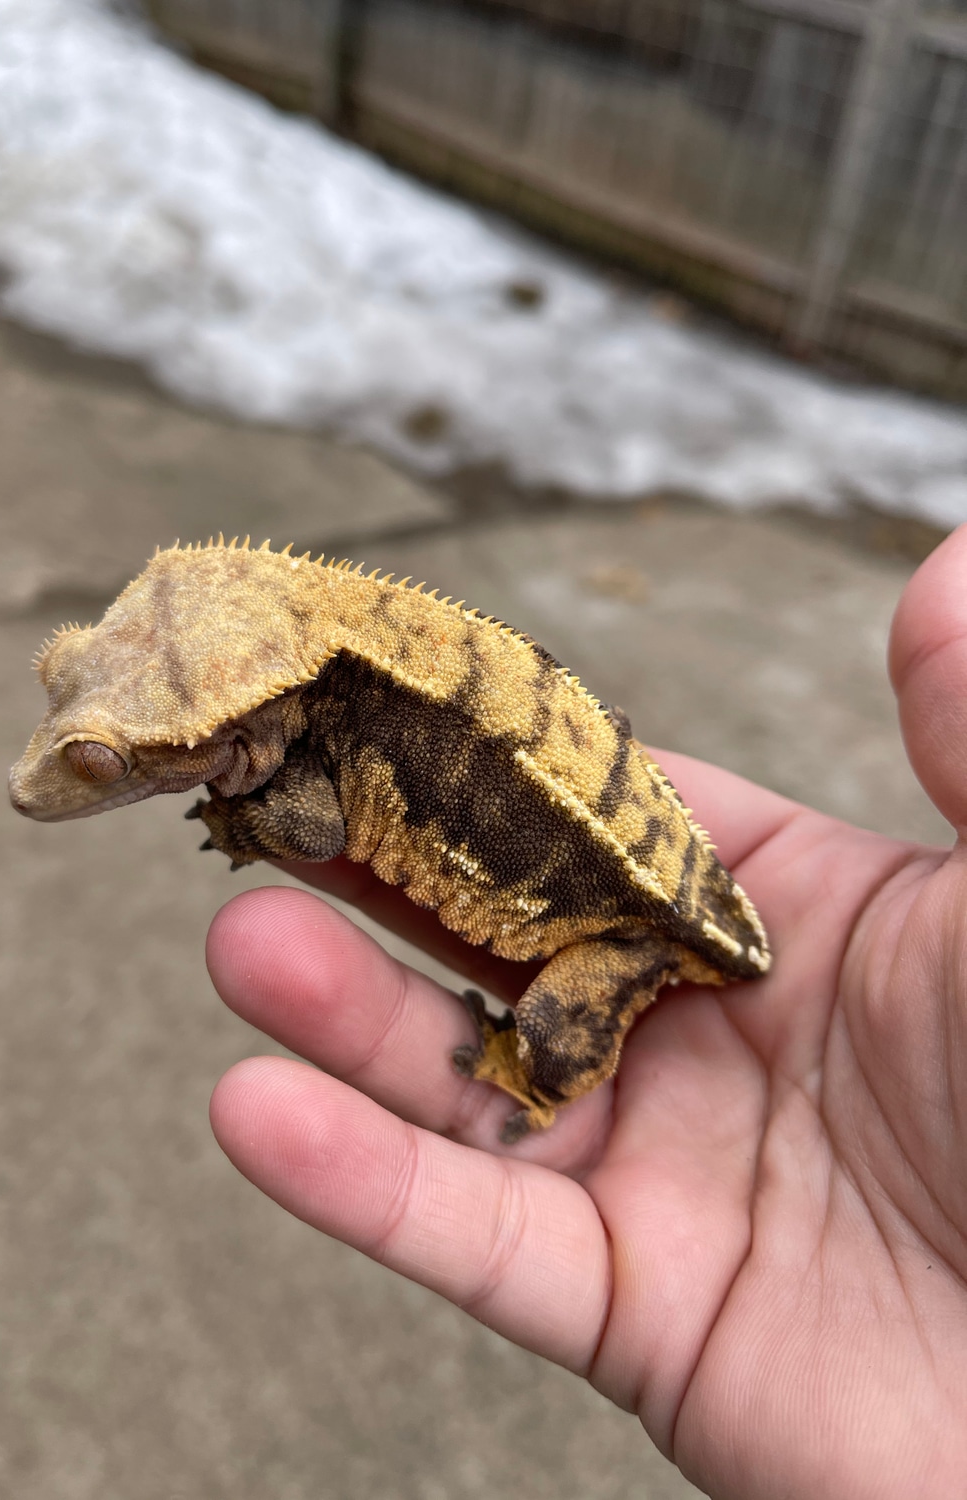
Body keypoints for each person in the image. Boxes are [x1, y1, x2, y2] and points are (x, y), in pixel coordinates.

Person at [207, 525, 967, 1500]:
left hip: (636, 929)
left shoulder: (333, 710)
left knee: (547, 1046)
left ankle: (541, 1073)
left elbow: (308, 823)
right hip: (654, 868)